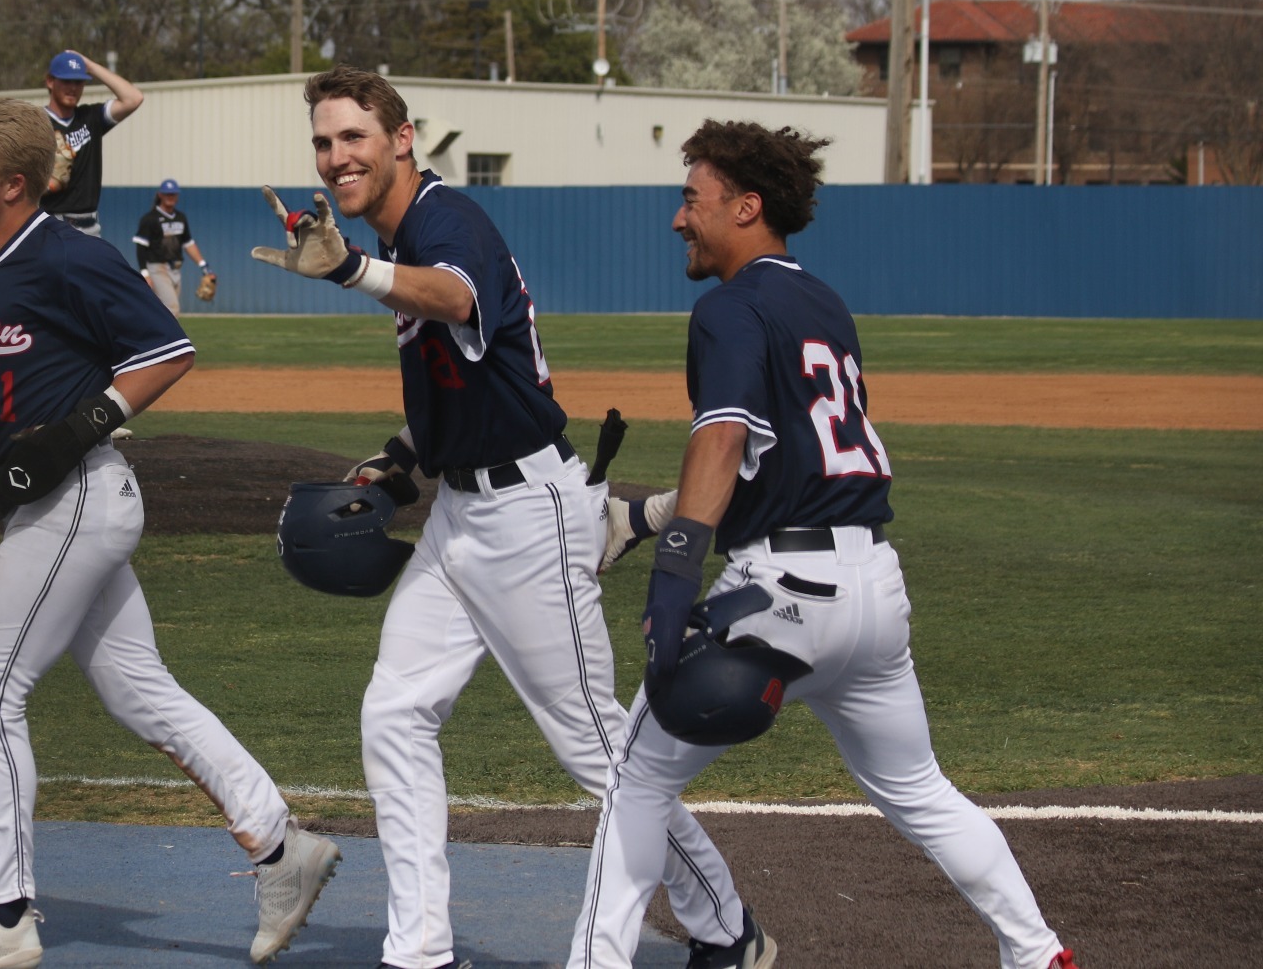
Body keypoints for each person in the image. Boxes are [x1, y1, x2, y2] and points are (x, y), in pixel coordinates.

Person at [249, 66, 741, 969]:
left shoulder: (445, 221)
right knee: (394, 713)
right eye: (323, 142)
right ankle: (419, 951)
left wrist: (355, 268)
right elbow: (457, 386)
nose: (335, 158)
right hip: (463, 515)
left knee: (598, 749)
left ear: (401, 138)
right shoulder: (408, 234)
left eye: (353, 136)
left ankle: (727, 926)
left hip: (525, 513)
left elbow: (458, 297)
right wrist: (398, 466)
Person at [569, 118, 1076, 969]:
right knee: (923, 792)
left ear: (746, 206)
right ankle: (1039, 954)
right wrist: (652, 516)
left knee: (636, 776)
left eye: (692, 199)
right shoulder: (823, 301)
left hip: (783, 595)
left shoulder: (728, 306)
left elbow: (723, 441)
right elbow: (787, 464)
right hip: (874, 586)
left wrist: (672, 574)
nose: (677, 218)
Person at [0, 98, 339, 969]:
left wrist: (75, 429)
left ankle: (7, 914)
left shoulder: (70, 256)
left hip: (82, 497)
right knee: (139, 689)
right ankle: (283, 848)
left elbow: (166, 350)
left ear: (14, 184)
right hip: (49, 505)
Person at [37, 49, 143, 236]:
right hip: (52, 223)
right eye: (66, 80)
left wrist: (90, 66)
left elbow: (133, 98)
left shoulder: (90, 117)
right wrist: (44, 184)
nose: (73, 87)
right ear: (50, 81)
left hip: (90, 226)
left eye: (79, 81)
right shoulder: (37, 122)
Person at [133, 178, 215, 315]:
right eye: (167, 194)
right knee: (172, 308)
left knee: (164, 311)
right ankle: (170, 337)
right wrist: (145, 273)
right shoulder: (150, 219)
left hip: (176, 269)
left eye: (173, 194)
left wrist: (203, 265)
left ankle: (156, 335)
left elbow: (188, 243)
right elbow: (140, 247)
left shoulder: (180, 218)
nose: (170, 197)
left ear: (177, 196)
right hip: (157, 268)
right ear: (160, 195)